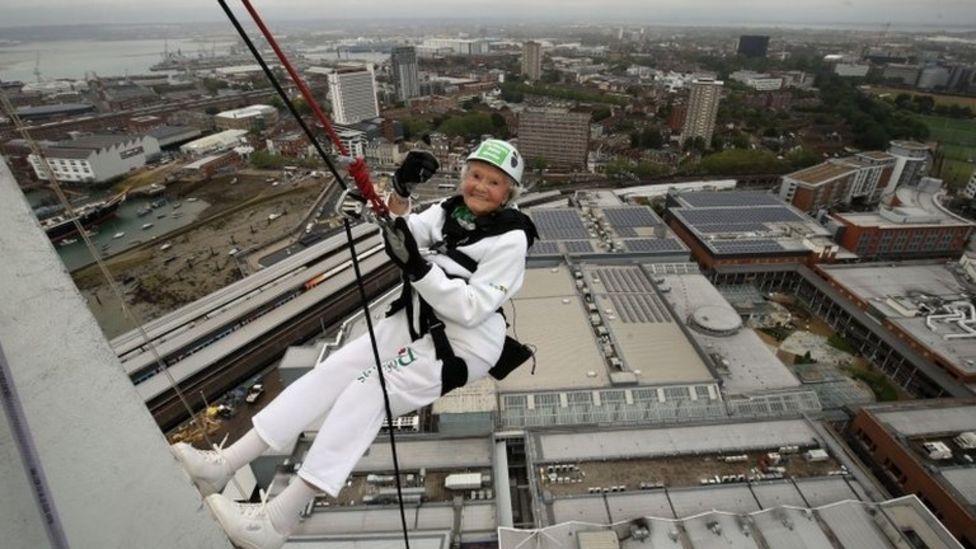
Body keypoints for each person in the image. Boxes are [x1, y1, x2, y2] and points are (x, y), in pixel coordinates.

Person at [171, 139, 537, 549]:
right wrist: (396, 194)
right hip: (420, 319)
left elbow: (471, 307)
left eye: (494, 182)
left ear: (510, 194)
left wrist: (417, 267)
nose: (480, 186)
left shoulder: (511, 239)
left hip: (463, 343)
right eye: (475, 175)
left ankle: (278, 519)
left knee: (366, 392)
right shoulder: (451, 211)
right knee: (330, 374)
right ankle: (225, 465)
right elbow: (403, 231)